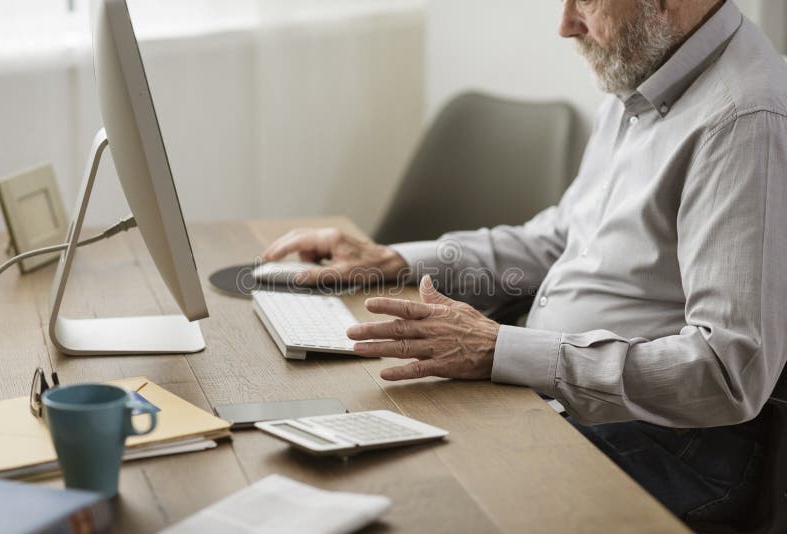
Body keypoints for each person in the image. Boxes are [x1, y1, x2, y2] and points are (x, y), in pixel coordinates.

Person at [262, 0, 787, 526]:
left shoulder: (742, 119)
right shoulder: (646, 77)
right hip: (570, 399)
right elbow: (560, 238)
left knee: (422, 499)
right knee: (352, 451)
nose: (566, 24)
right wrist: (394, 259)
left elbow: (727, 371)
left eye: (587, 2)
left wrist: (503, 349)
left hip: (676, 446)